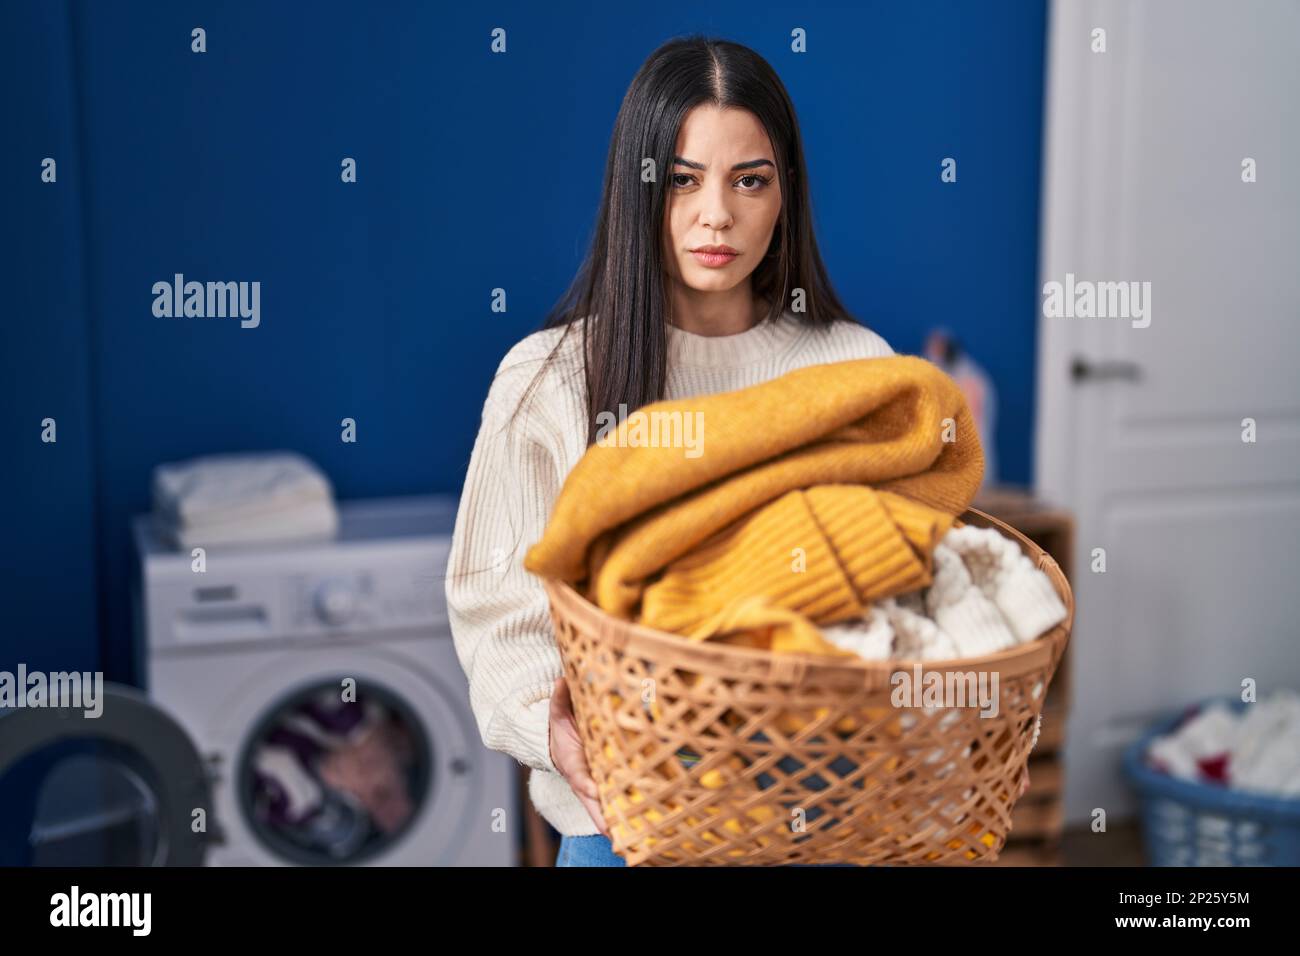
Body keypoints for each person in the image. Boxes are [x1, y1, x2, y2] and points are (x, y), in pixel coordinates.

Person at [445, 35, 1021, 868]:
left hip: (827, 824)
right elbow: (498, 611)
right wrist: (553, 730)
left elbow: (908, 590)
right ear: (637, 188)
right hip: (624, 829)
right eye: (682, 179)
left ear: (786, 193)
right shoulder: (547, 380)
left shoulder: (857, 370)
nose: (716, 213)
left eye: (749, 180)